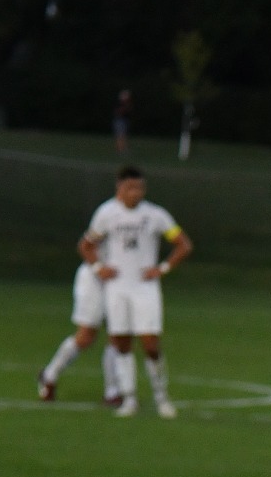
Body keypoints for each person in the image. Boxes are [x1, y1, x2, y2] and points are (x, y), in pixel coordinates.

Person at [81, 167, 192, 418]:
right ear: (119, 189)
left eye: (140, 188)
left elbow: (183, 244)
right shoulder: (106, 214)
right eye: (131, 188)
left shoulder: (155, 215)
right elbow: (86, 245)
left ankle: (162, 397)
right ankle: (129, 398)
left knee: (151, 344)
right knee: (121, 343)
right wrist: (99, 267)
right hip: (117, 288)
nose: (136, 193)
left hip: (145, 289)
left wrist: (162, 268)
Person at [35, 261, 123, 408]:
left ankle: (112, 392)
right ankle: (49, 375)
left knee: (119, 335)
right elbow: (85, 246)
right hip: (95, 279)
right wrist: (98, 268)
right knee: (86, 336)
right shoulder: (101, 236)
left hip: (119, 278)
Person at [112, 90, 133, 155]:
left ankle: (124, 148)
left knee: (124, 135)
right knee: (120, 135)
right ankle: (120, 149)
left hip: (125, 120)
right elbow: (117, 112)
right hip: (119, 120)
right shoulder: (119, 104)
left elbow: (129, 110)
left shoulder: (127, 103)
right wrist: (124, 108)